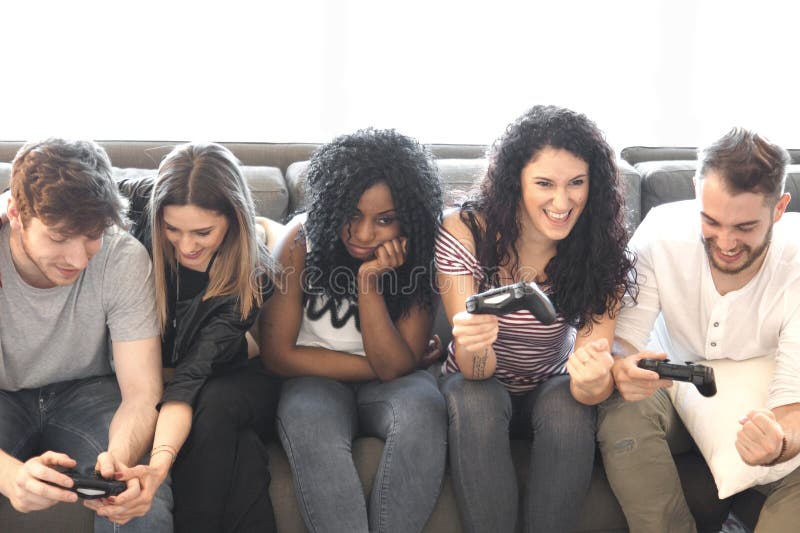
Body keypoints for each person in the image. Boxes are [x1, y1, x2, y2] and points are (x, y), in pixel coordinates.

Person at [435, 105, 636, 533]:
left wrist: (592, 377)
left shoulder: (603, 252)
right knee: (477, 399)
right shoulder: (464, 230)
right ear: (515, 184)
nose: (562, 202)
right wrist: (476, 343)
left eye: (576, 184)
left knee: (569, 406)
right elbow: (474, 372)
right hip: (476, 380)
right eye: (544, 184)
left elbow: (588, 390)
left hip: (551, 382)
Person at [597, 128, 800, 532]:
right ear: (695, 191)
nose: (725, 241)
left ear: (779, 209)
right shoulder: (660, 234)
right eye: (711, 220)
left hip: (766, 388)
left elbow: (792, 403)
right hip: (674, 389)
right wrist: (623, 366)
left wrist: (777, 444)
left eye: (745, 227)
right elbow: (624, 341)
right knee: (621, 411)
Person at [260, 128, 447, 533]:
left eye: (385, 220)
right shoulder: (300, 241)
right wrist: (384, 365)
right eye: (352, 215)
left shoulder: (420, 254)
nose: (363, 235)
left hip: (388, 387)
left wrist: (369, 285)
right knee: (309, 417)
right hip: (313, 381)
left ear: (407, 216)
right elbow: (277, 355)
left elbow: (399, 370)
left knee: (423, 407)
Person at [0, 138, 172, 530]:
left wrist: (120, 458)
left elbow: (142, 392)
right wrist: (9, 476)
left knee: (134, 492)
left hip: (88, 392)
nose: (78, 260)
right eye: (59, 238)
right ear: (15, 213)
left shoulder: (121, 256)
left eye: (92, 235)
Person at [109, 142, 282, 532]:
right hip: (172, 380)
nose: (186, 246)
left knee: (214, 406)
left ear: (234, 219)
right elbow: (66, 186)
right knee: (245, 456)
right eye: (172, 229)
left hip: (229, 377)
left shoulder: (252, 276)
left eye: (203, 232)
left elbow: (189, 378)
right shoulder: (143, 197)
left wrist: (158, 464)